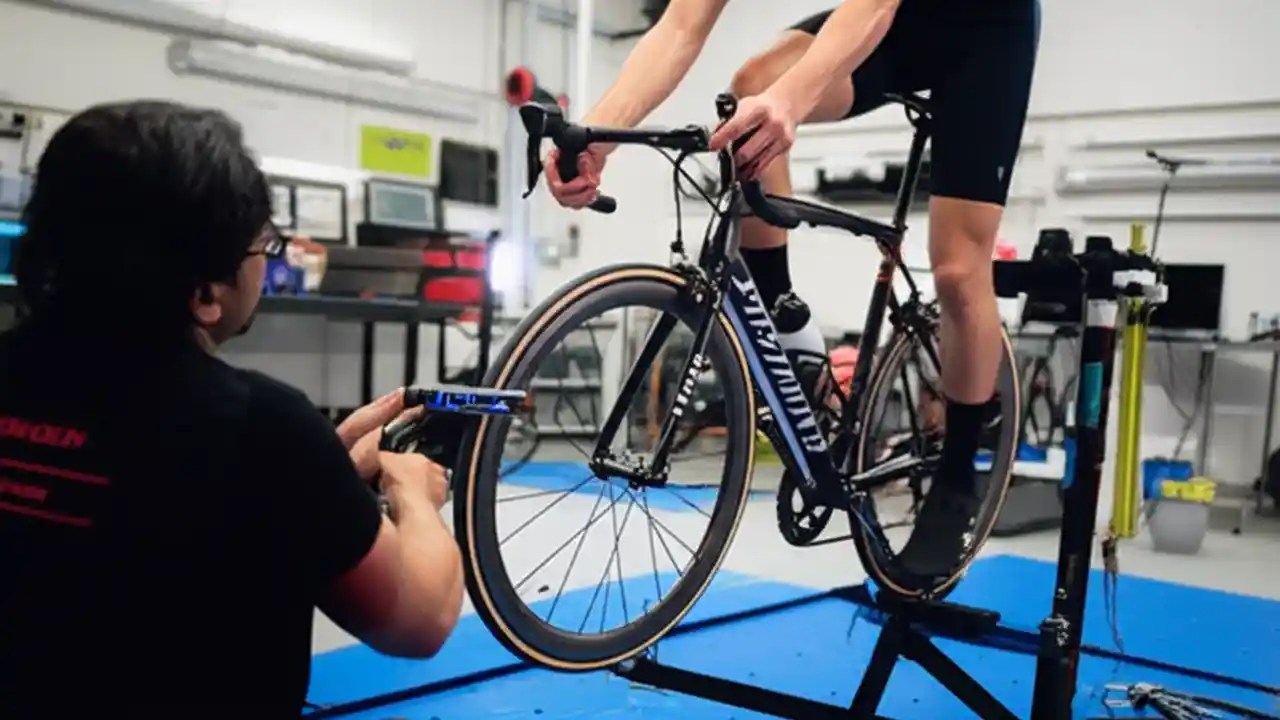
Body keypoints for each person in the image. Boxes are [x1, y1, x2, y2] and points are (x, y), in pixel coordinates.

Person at [544, 0, 1040, 578]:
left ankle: (957, 480)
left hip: (986, 31)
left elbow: (875, 8)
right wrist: (598, 134)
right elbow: (679, 27)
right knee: (751, 88)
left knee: (957, 269)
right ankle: (787, 321)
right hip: (899, 28)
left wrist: (790, 101)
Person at [0, 100, 464, 717]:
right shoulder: (261, 430)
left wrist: (326, 468)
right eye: (263, 247)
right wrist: (414, 496)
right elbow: (420, 618)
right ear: (207, 291)